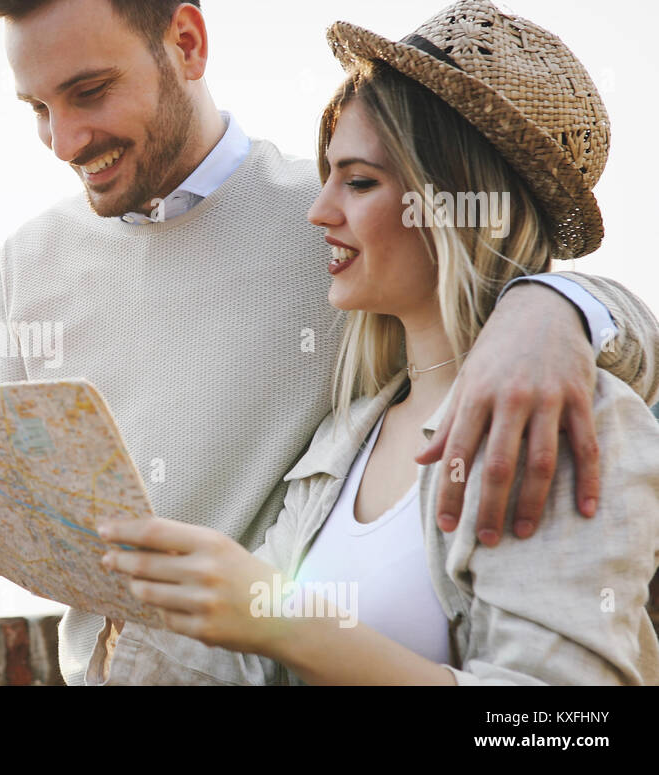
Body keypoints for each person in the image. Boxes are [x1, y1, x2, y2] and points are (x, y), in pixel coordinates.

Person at [0, 0, 659, 685]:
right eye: (37, 109)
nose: (64, 141)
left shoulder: (538, 405)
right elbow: (15, 501)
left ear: (187, 42)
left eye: (89, 91)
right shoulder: (348, 440)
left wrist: (555, 304)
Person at [98, 0, 659, 684]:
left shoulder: (558, 420)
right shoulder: (346, 435)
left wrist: (283, 616)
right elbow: (250, 660)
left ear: (456, 203)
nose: (319, 210)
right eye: (329, 173)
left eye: (359, 181)